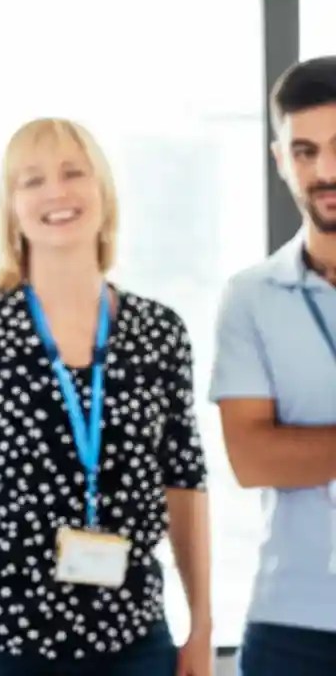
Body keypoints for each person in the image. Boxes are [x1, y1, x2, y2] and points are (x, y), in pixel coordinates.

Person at [0, 118, 213, 676]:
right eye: (32, 180)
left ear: (103, 191)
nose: (56, 192)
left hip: (134, 636)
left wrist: (203, 627)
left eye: (74, 173)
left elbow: (186, 481)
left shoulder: (159, 331)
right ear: (11, 207)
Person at [210, 55, 336, 676]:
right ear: (280, 159)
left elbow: (282, 451)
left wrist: (306, 447)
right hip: (294, 624)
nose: (326, 170)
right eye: (305, 150)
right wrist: (280, 449)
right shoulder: (251, 296)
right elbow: (252, 458)